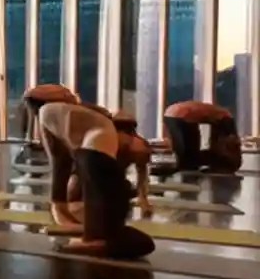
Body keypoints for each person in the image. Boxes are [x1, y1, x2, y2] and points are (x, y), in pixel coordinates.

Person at [39, 102, 155, 260]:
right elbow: (64, 175)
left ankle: (92, 240)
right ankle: (92, 240)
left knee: (111, 227)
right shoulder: (104, 136)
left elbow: (61, 171)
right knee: (133, 238)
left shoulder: (101, 136)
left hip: (92, 161)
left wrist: (143, 197)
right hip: (92, 161)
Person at [163, 101, 242, 174]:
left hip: (172, 113)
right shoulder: (225, 117)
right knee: (188, 157)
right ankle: (186, 172)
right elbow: (227, 141)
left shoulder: (218, 113)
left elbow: (219, 141)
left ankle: (184, 171)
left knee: (187, 154)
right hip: (180, 115)